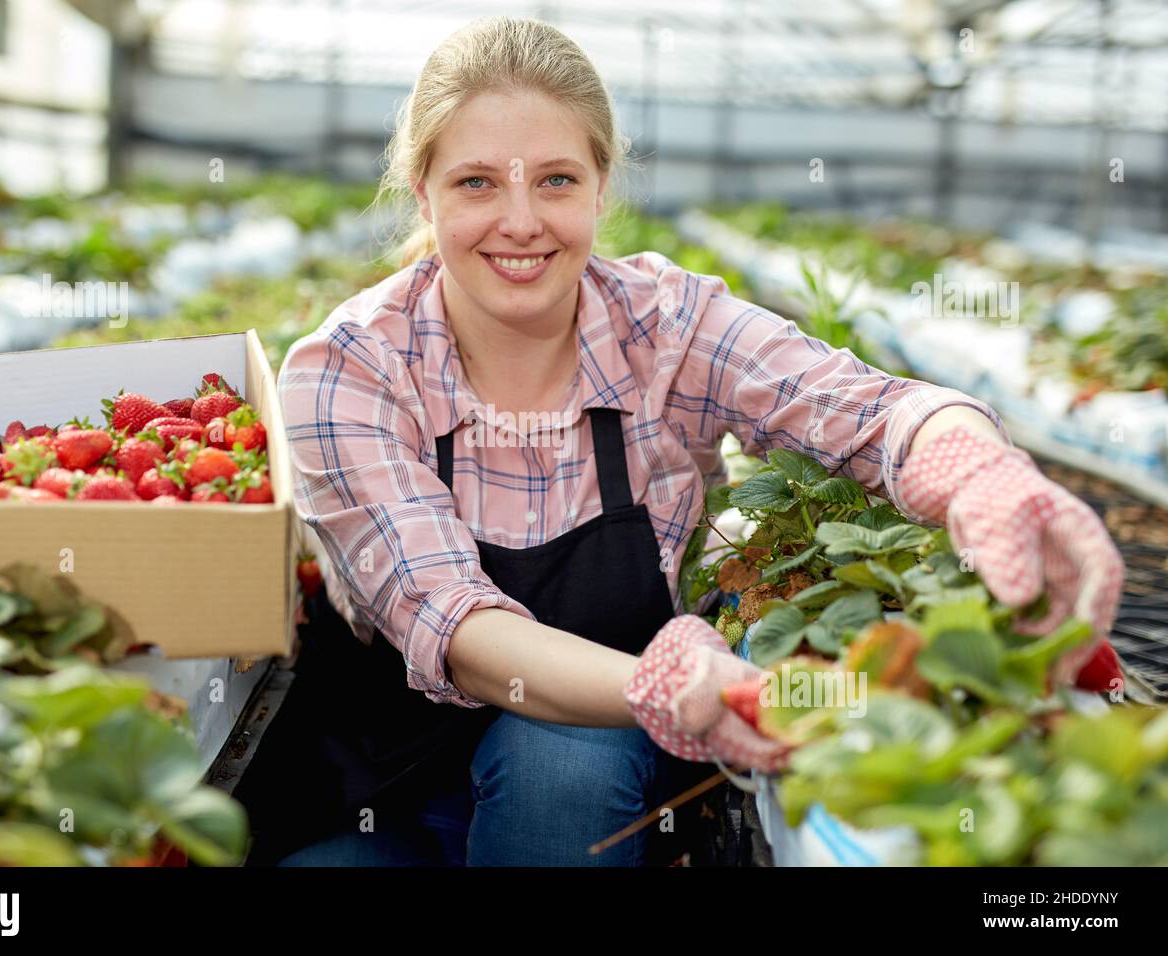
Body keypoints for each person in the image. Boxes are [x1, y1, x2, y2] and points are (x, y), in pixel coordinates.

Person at [273, 16, 1126, 867]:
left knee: (558, 769)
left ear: (602, 188)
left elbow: (869, 408)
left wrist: (975, 470)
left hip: (595, 751)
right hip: (388, 777)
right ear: (422, 190)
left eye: (559, 180)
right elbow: (456, 625)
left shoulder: (665, 326)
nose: (522, 221)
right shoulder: (352, 368)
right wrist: (675, 681)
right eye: (477, 184)